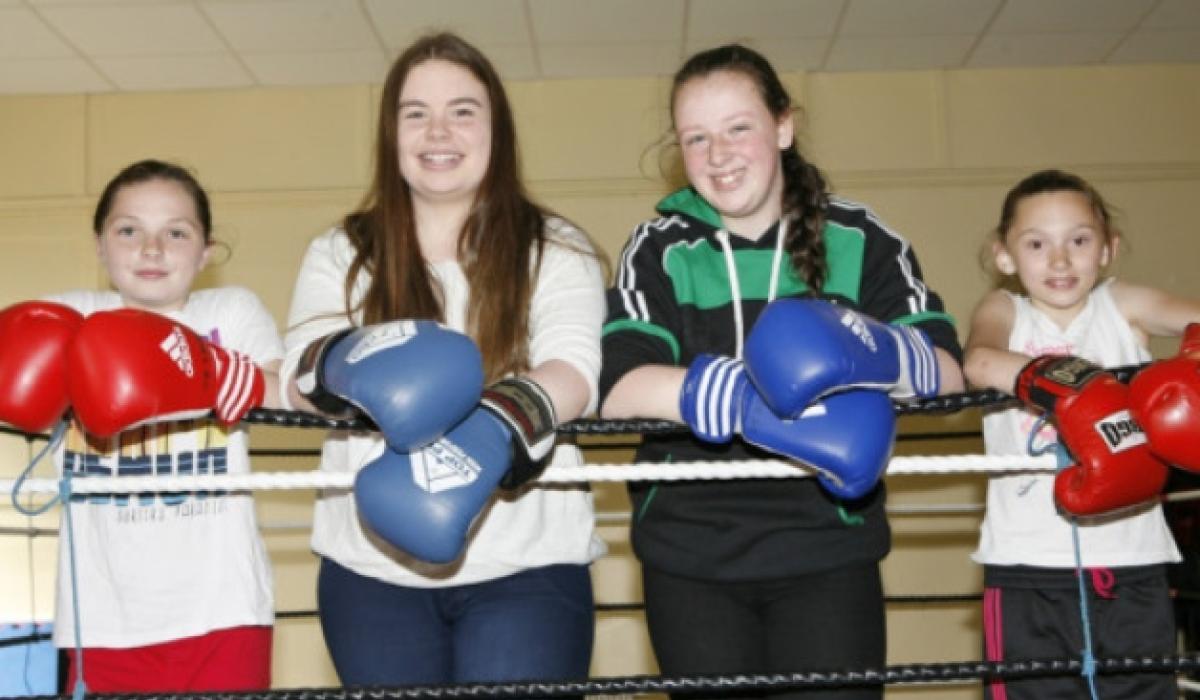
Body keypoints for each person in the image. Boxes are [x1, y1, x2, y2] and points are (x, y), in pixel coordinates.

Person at [599, 44, 964, 699]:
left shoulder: (859, 237)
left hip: (826, 545)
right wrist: (745, 402)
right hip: (691, 552)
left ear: (784, 126)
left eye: (738, 127)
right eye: (696, 138)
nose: (718, 154)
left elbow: (949, 377)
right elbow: (616, 386)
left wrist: (876, 353)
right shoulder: (658, 247)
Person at [278, 32, 606, 687]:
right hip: (370, 568)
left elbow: (576, 371)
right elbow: (294, 376)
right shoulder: (342, 251)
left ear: (497, 130)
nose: (438, 131)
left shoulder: (556, 246)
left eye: (463, 110)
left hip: (529, 563)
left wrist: (485, 434)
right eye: (415, 113)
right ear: (390, 133)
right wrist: (353, 365)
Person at [29, 159, 282, 692]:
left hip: (223, 609)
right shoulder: (71, 317)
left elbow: (288, 389)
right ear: (99, 244)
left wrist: (211, 372)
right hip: (102, 619)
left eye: (175, 232)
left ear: (206, 250)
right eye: (129, 230)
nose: (152, 249)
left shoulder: (230, 313)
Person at [963, 168, 1200, 699]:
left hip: (1134, 561)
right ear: (1004, 255)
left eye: (1079, 240)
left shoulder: (1123, 307)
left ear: (1108, 248)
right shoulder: (1006, 309)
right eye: (1037, 243)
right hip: (1029, 569)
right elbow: (979, 362)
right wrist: (1074, 387)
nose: (1060, 259)